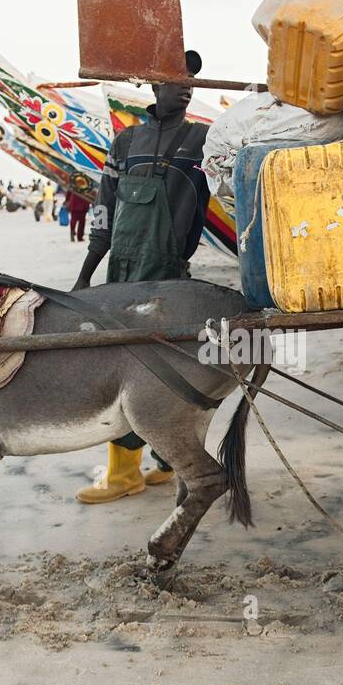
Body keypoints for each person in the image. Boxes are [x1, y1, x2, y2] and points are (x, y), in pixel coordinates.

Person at [72, 49, 209, 504]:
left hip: (168, 273)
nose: (186, 84)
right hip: (120, 273)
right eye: (176, 77)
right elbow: (104, 209)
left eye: (191, 78)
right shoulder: (126, 142)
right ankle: (127, 471)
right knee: (126, 364)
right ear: (153, 85)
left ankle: (166, 461)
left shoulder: (202, 140)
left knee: (158, 366)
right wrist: (86, 275)